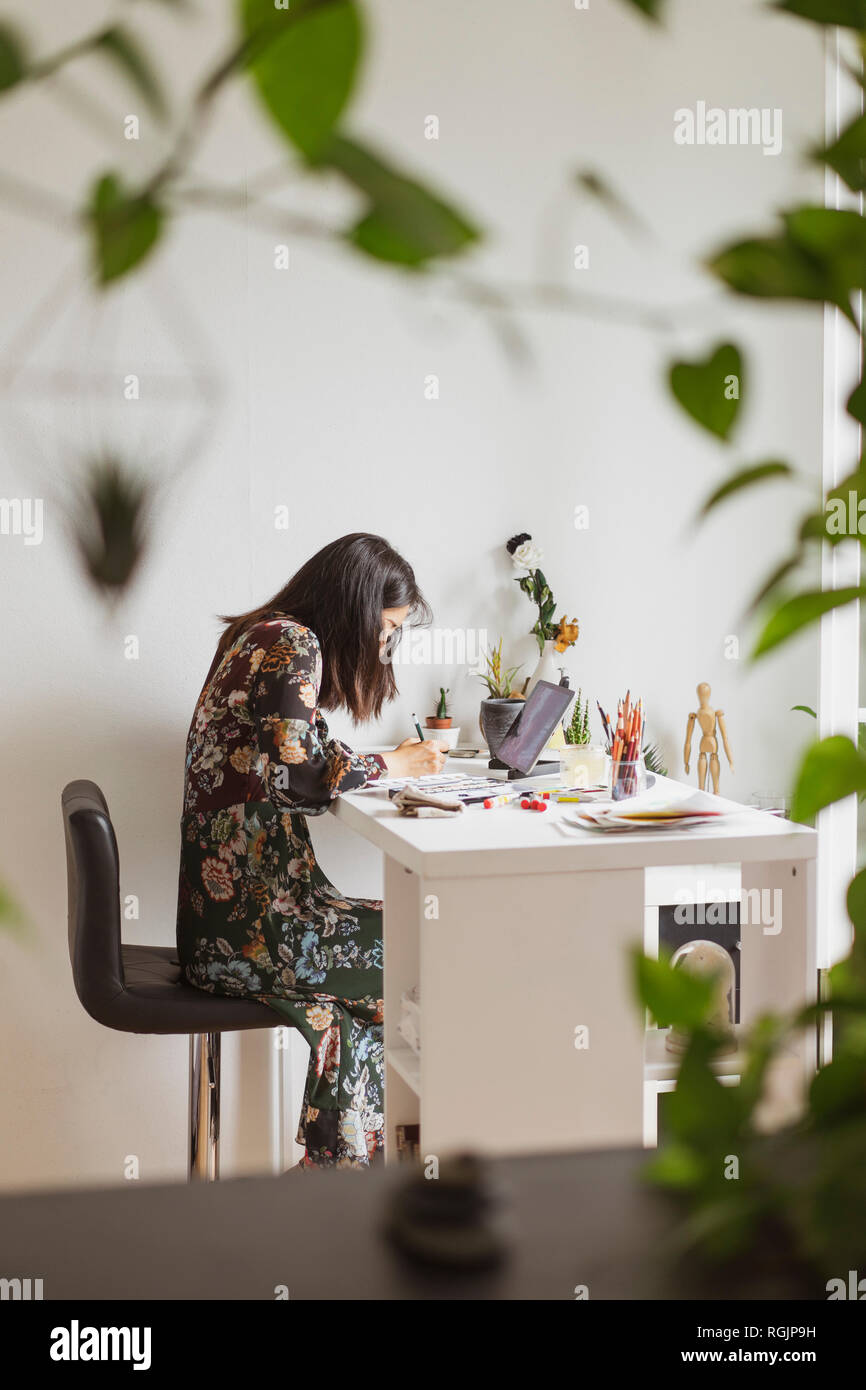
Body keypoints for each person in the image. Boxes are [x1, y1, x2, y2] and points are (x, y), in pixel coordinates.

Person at [175, 533, 446, 1170]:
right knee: (425, 947)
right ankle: (360, 1176)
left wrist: (387, 767)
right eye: (387, 629)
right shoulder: (290, 643)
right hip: (252, 931)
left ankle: (337, 1178)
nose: (385, 646)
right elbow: (295, 777)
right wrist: (392, 764)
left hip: (231, 924)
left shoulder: (263, 635)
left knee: (352, 1009)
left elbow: (298, 760)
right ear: (354, 607)